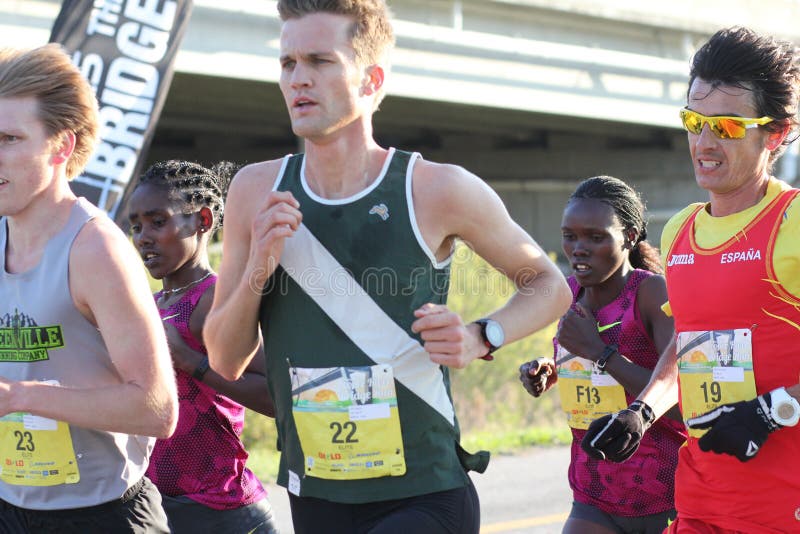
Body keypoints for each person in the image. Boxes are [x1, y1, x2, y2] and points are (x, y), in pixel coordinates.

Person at [202, 1, 572, 532]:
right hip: (317, 491)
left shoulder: (437, 188)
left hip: (422, 492)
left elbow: (549, 285)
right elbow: (225, 357)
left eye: (320, 61)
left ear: (372, 79)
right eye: (287, 64)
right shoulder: (255, 191)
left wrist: (481, 335)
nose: (298, 80)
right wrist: (260, 262)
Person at [580, 27, 800, 533]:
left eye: (724, 126)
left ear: (777, 133)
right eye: (694, 121)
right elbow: (692, 340)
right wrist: (643, 411)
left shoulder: (790, 222)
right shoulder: (681, 229)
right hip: (702, 499)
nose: (703, 143)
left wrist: (778, 408)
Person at [0, 44, 178, 532]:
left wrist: (20, 396)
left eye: (9, 138)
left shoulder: (95, 249)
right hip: (11, 506)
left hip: (102, 514)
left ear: (60, 147)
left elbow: (158, 409)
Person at [519, 176, 685, 534]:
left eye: (595, 237)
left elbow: (682, 402)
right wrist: (550, 371)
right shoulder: (569, 293)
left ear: (629, 236)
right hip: (594, 492)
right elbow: (583, 365)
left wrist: (599, 352)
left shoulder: (652, 294)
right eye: (570, 236)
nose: (579, 248)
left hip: (666, 493)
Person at [126, 160, 280, 533]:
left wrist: (191, 360)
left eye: (158, 221)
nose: (144, 236)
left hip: (222, 511)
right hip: (158, 503)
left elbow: (276, 397)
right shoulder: (149, 303)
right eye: (136, 226)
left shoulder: (214, 299)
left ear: (203, 221)